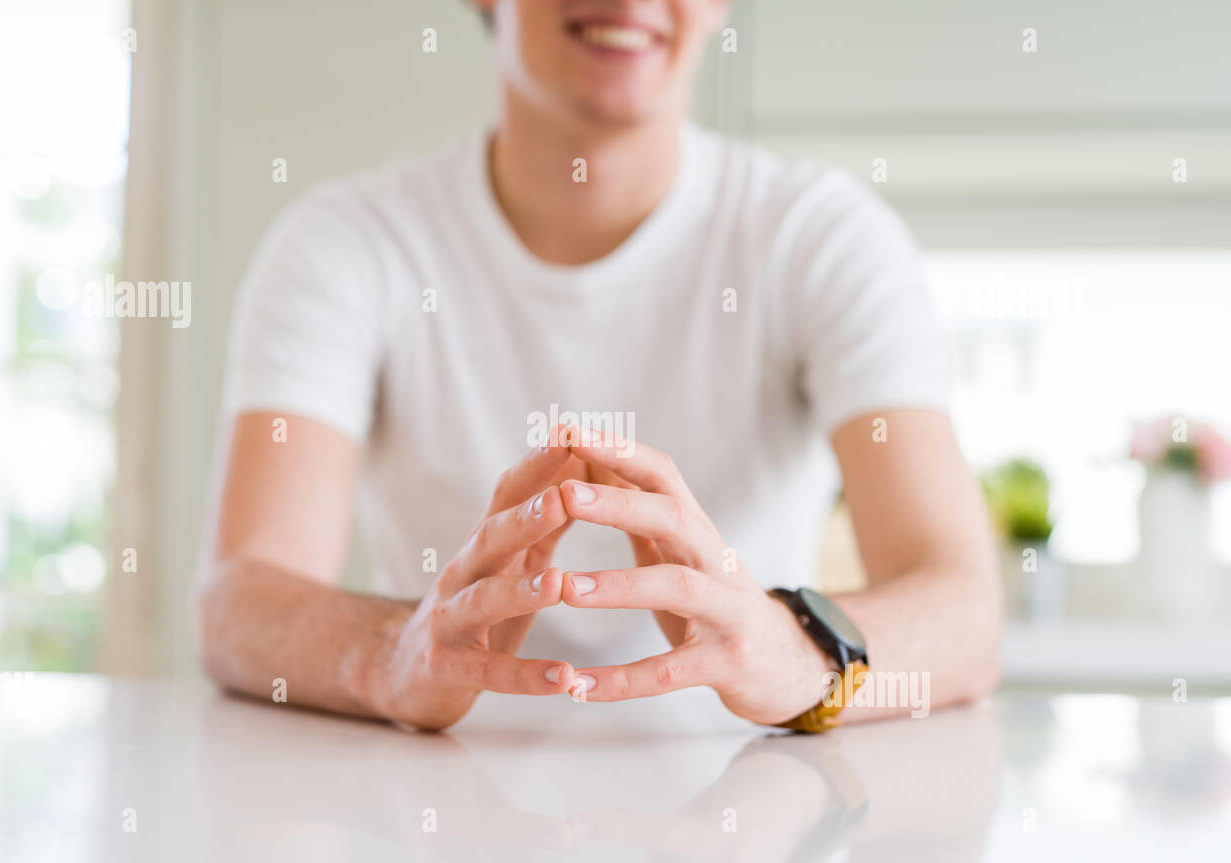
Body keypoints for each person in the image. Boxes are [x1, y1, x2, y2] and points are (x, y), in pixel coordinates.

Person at [196, 0, 1001, 732]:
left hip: (753, 803)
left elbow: (965, 613)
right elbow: (239, 599)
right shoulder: (346, 242)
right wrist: (390, 655)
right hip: (436, 803)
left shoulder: (821, 236)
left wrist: (793, 653)